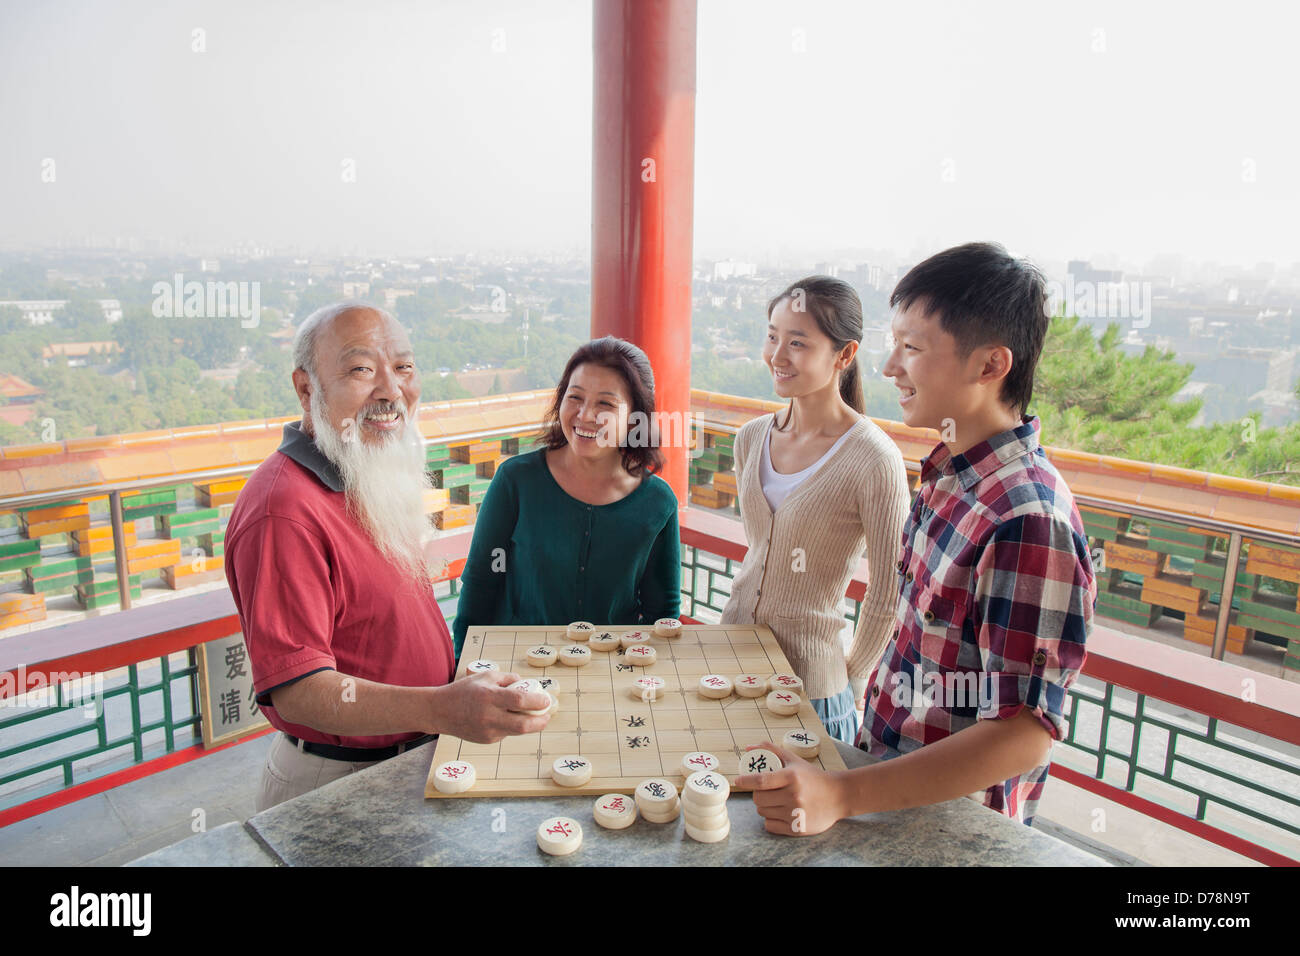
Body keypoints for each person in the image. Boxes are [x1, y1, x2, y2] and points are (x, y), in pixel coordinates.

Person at [739, 242, 1097, 833]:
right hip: (885, 784)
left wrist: (843, 794)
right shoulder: (947, 478)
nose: (888, 368)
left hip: (947, 828)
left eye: (912, 348)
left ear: (990, 365)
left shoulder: (1027, 520)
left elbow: (1022, 735)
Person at [225, 303, 552, 811]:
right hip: (335, 781)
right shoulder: (283, 510)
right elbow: (300, 689)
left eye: (402, 368)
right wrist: (441, 707)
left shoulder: (364, 472)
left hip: (410, 753)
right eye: (361, 370)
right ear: (307, 388)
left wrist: (450, 689)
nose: (391, 391)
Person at [719, 277, 910, 744]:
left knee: (793, 818)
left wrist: (854, 674)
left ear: (844, 355)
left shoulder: (873, 458)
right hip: (728, 663)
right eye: (772, 337)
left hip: (813, 688)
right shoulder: (752, 437)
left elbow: (890, 590)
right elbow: (762, 550)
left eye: (798, 342)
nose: (777, 356)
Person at [452, 336, 680, 655]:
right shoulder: (516, 481)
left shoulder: (658, 503)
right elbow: (482, 581)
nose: (585, 415)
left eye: (605, 403)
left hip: (610, 675)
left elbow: (662, 612)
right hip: (515, 669)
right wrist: (463, 664)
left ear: (635, 416)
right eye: (575, 397)